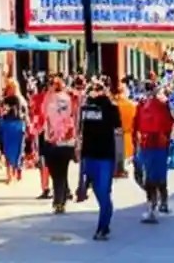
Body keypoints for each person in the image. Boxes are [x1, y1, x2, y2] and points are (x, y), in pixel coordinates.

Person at [77, 81, 121, 241]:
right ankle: (105, 222)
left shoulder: (111, 109)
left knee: (102, 192)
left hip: (102, 156)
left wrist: (120, 158)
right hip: (93, 155)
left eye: (99, 88)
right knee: (99, 191)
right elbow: (81, 132)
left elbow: (118, 133)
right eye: (94, 88)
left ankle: (102, 226)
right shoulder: (87, 109)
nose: (96, 91)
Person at [134, 82, 174, 223]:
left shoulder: (145, 105)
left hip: (149, 145)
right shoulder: (163, 105)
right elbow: (170, 124)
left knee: (149, 176)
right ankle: (160, 202)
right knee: (158, 175)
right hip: (158, 145)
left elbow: (136, 124)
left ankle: (153, 206)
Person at [40, 75, 78, 214]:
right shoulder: (61, 98)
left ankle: (59, 201)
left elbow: (47, 114)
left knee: (58, 172)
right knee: (58, 171)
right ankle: (61, 198)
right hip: (59, 141)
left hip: (57, 141)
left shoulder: (56, 99)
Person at [0, 101, 26, 184]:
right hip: (18, 143)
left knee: (8, 160)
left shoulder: (3, 121)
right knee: (18, 159)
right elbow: (23, 132)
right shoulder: (20, 122)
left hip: (7, 143)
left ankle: (9, 176)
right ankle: (16, 174)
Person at [114, 84, 137, 179]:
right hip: (126, 131)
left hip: (115, 130)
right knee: (121, 153)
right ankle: (119, 170)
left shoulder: (113, 103)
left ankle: (118, 169)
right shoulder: (130, 104)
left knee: (117, 153)